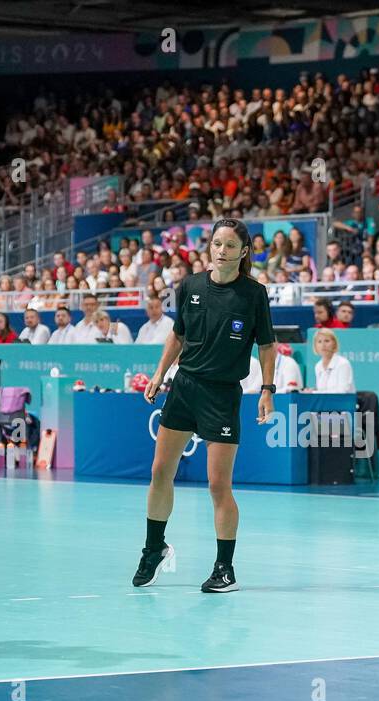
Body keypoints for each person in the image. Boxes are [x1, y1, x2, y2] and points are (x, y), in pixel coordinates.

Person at [136, 219, 276, 594]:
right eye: (217, 243)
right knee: (160, 471)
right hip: (184, 388)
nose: (221, 251)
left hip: (222, 394)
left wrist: (267, 389)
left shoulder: (253, 294)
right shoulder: (192, 286)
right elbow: (178, 335)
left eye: (230, 246)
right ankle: (154, 549)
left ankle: (224, 568)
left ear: (243, 252)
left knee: (218, 485)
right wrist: (159, 373)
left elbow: (266, 345)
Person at [309, 328, 355, 394]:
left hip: (342, 403)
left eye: (327, 341)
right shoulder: (318, 366)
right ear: (315, 346)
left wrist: (315, 392)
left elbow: (342, 392)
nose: (323, 345)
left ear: (334, 344)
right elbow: (322, 390)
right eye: (319, 342)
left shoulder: (343, 364)